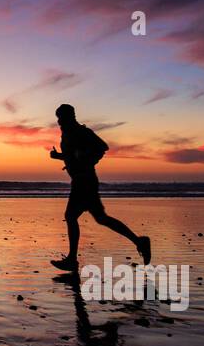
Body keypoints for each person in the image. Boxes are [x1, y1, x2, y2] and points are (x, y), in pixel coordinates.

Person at [48, 103, 150, 271]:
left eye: (62, 117)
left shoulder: (81, 132)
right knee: (101, 218)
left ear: (70, 116)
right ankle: (139, 242)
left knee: (71, 216)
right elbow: (73, 155)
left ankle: (72, 259)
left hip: (84, 180)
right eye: (58, 118)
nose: (59, 121)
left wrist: (86, 157)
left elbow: (102, 147)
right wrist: (59, 156)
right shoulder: (67, 134)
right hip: (81, 180)